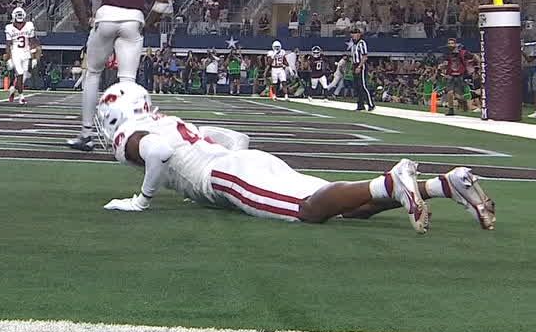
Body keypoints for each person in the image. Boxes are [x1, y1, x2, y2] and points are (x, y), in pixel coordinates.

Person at [94, 82, 495, 232]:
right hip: (245, 163)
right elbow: (237, 137)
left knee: (308, 210)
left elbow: (160, 152)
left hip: (227, 175)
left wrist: (141, 200)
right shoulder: (170, 119)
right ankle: (442, 185)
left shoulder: (135, 133)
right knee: (344, 206)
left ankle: (392, 181)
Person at [66, 0, 172, 151]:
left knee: (93, 73)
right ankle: (127, 138)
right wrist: (148, 21)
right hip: (133, 19)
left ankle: (86, 133)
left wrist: (85, 22)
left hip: (106, 17)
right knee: (127, 81)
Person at [5, 6, 39, 105]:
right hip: (16, 53)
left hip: (26, 52)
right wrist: (9, 57)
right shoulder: (9, 27)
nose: (19, 17)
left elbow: (32, 42)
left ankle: (13, 89)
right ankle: (21, 97)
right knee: (19, 74)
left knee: (23, 77)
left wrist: (33, 58)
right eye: (18, 15)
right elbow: (8, 44)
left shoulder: (29, 25)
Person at [442, 38, 476, 116]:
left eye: (452, 43)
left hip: (460, 76)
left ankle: (464, 104)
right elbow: (446, 63)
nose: (450, 45)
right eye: (449, 43)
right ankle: (451, 110)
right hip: (451, 76)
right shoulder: (447, 54)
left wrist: (476, 63)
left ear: (455, 44)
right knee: (449, 93)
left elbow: (473, 56)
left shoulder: (462, 53)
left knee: (458, 96)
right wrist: (443, 68)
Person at [350, 27, 374, 111]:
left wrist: (359, 66)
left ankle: (371, 104)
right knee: (357, 86)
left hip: (361, 65)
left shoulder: (361, 43)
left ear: (359, 34)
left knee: (363, 86)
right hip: (354, 64)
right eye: (352, 33)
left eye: (355, 33)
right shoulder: (353, 44)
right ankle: (360, 105)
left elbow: (364, 56)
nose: (353, 35)